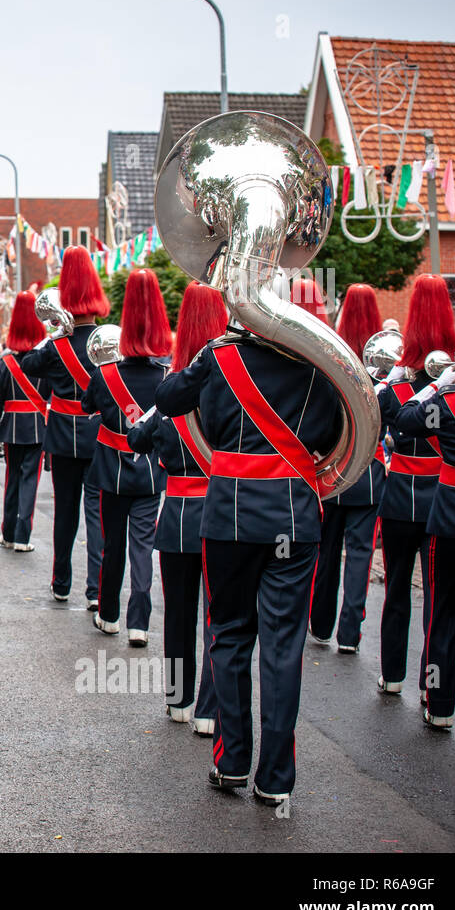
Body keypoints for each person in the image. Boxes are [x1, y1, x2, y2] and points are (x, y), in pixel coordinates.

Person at [155, 291, 344, 807]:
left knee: (230, 635)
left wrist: (210, 348)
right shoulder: (326, 368)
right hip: (295, 513)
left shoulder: (219, 355)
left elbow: (170, 398)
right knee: (283, 647)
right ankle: (276, 777)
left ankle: (231, 761)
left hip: (229, 514)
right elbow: (335, 436)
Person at [127, 281, 224, 731]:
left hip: (176, 515)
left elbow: (138, 440)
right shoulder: (230, 388)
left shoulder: (169, 390)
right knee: (219, 615)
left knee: (179, 612)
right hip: (224, 511)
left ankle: (177, 700)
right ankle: (209, 709)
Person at [391, 318, 455, 738]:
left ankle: (439, 703)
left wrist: (437, 383)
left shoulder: (451, 400)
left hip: (450, 518)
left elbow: (406, 419)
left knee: (442, 613)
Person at [377, 274, 455, 696]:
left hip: (399, 493)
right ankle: (434, 689)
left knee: (396, 590)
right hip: (443, 496)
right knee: (436, 599)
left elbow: (380, 418)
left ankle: (392, 675)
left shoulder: (396, 380)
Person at [80, 269, 170, 644]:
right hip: (150, 473)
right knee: (143, 548)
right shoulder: (166, 377)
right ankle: (139, 622)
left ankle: (109, 613)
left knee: (111, 543)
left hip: (111, 472)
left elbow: (88, 407)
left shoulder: (105, 375)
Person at [19, 246, 105, 608]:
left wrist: (55, 332)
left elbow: (28, 364)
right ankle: (96, 591)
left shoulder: (56, 347)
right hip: (102, 437)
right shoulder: (109, 341)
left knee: (65, 514)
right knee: (98, 516)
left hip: (63, 436)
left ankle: (61, 582)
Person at [310, 283, 384, 652]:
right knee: (360, 556)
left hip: (332, 470)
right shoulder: (386, 369)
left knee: (326, 549)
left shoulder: (332, 361)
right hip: (368, 472)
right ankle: (349, 633)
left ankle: (320, 623)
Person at [0, 291, 51, 552]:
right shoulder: (44, 360)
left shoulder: (5, 362)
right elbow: (49, 396)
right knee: (29, 481)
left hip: (11, 426)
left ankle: (8, 533)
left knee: (12, 479)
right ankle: (23, 537)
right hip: (37, 424)